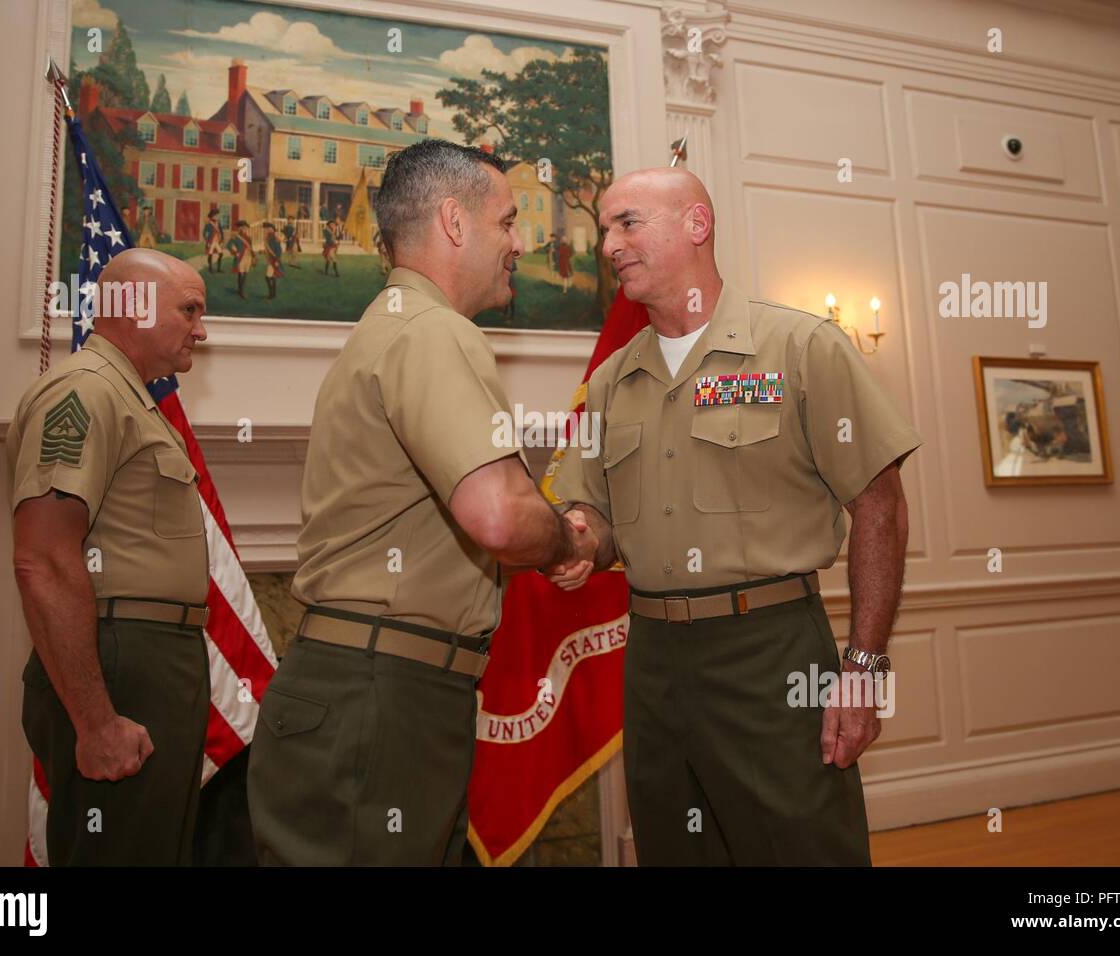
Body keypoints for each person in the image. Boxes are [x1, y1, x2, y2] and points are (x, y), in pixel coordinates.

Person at [546, 167, 921, 866]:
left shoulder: (801, 348)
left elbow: (881, 509)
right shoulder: (608, 383)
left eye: (627, 222)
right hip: (654, 659)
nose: (607, 245)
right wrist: (569, 540)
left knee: (803, 850)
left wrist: (863, 666)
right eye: (603, 229)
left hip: (770, 651)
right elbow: (590, 518)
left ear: (696, 225)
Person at [247, 139, 596, 866]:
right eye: (505, 222)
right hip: (382, 698)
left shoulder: (387, 326)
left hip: (369, 688)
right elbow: (498, 516)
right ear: (454, 222)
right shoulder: (435, 332)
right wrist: (566, 540)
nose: (520, 242)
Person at [7, 248, 211, 865]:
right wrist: (96, 723)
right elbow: (41, 558)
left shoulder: (129, 397)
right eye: (190, 309)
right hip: (117, 660)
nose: (202, 328)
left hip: (148, 663)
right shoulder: (85, 393)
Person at [226, 220, 254, 299]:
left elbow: (251, 248)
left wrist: (253, 256)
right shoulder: (236, 237)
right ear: (240, 228)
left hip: (248, 257)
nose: (245, 229)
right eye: (243, 228)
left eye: (245, 228)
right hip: (240, 257)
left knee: (245, 274)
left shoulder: (249, 238)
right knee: (240, 274)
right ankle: (241, 292)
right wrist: (235, 252)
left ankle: (240, 289)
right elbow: (228, 245)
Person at [261, 221, 283, 300]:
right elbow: (268, 249)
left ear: (273, 229)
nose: (267, 230)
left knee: (268, 277)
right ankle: (273, 294)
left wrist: (277, 260)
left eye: (269, 229)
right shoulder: (268, 238)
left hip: (274, 259)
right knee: (272, 277)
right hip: (270, 259)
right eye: (266, 229)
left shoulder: (275, 238)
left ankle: (271, 294)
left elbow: (279, 250)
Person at [202, 208, 225, 274]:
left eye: (218, 215)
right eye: (216, 215)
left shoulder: (218, 223)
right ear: (213, 216)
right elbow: (204, 233)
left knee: (221, 254)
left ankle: (218, 269)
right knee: (210, 254)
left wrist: (222, 240)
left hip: (217, 241)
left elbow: (221, 232)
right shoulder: (208, 224)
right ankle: (210, 269)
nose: (218, 217)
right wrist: (207, 241)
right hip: (211, 242)